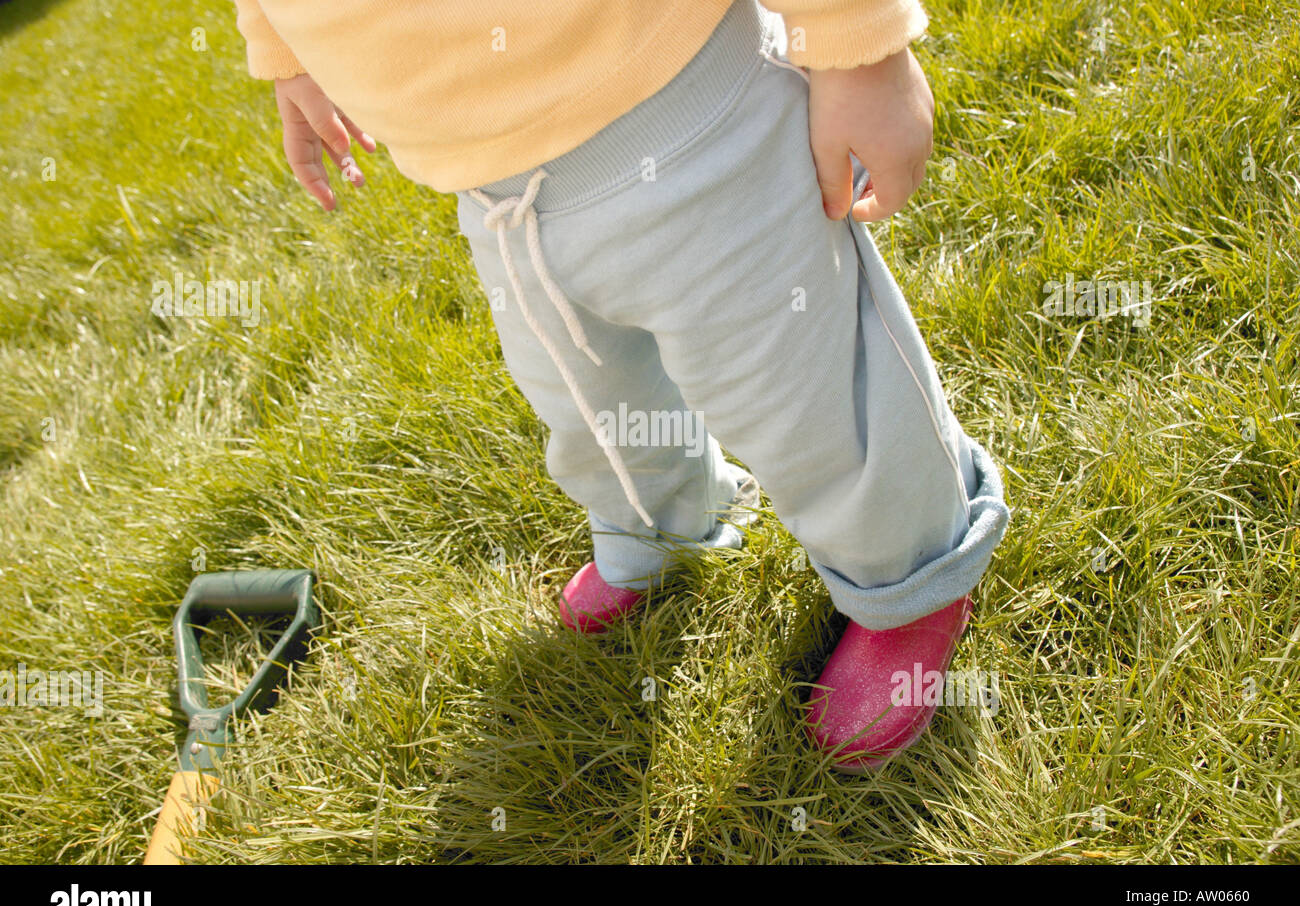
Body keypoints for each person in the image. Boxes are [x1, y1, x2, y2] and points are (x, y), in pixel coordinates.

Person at [232, 0, 1011, 771]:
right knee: (588, 405)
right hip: (488, 188)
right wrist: (286, 49)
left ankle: (910, 578)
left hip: (692, 117)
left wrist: (857, 41)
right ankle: (663, 526)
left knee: (804, 390)